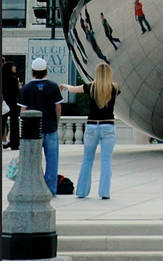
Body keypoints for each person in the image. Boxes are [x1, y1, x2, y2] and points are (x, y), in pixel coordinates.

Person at [59, 62, 120, 199]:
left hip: (92, 126)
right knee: (106, 161)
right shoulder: (114, 88)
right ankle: (104, 192)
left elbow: (74, 89)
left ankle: (82, 192)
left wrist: (65, 86)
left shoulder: (90, 87)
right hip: (108, 126)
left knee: (87, 160)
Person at [18, 58, 62, 195]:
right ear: (45, 71)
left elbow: (23, 111)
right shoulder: (53, 86)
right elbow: (58, 107)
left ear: (32, 72)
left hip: (33, 131)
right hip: (51, 128)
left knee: (33, 161)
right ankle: (51, 190)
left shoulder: (27, 88)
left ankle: (36, 188)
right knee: (52, 161)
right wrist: (57, 122)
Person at [3, 61, 21, 150]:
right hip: (13, 103)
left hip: (4, 103)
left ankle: (4, 141)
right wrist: (19, 87)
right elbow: (16, 92)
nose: (15, 68)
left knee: (3, 122)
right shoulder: (13, 79)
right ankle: (15, 143)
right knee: (14, 124)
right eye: (13, 66)